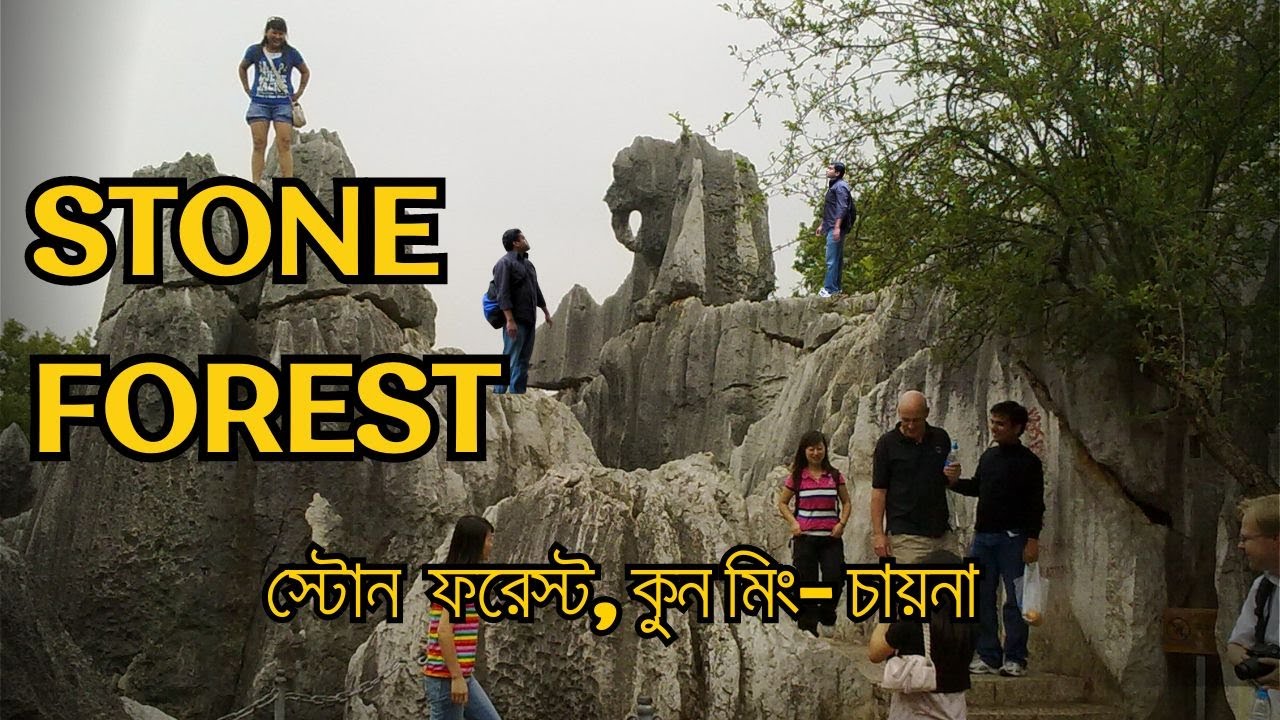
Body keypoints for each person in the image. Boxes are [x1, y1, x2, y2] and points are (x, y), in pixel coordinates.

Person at [945, 400, 1044, 677]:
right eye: (993, 421)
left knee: (1015, 601)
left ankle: (1015, 657)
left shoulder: (1029, 463)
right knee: (979, 597)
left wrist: (1032, 539)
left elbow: (1036, 504)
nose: (995, 428)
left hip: (1014, 538)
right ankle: (988, 654)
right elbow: (978, 487)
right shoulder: (989, 457)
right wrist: (954, 483)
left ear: (1017, 427)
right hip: (983, 538)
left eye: (1001, 423)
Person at [869, 549, 978, 720]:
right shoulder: (969, 622)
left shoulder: (912, 620)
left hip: (915, 710)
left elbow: (875, 653)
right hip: (954, 709)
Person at [420, 515, 503, 720]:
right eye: (489, 539)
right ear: (475, 543)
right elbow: (444, 631)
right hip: (447, 678)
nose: (491, 545)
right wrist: (456, 677)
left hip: (461, 675)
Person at [776, 430, 852, 637]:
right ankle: (808, 627)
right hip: (805, 538)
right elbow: (782, 503)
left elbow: (846, 502)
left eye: (819, 448)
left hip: (831, 538)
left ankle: (827, 613)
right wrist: (793, 522)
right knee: (806, 582)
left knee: (835, 577)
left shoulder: (835, 476)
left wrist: (842, 523)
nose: (816, 452)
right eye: (811, 449)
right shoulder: (797, 477)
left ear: (825, 449)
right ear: (804, 451)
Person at [871, 390, 956, 563]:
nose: (910, 425)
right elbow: (879, 491)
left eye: (916, 420)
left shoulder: (940, 438)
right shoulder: (887, 444)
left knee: (952, 586)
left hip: (941, 532)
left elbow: (945, 482)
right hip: (906, 533)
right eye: (905, 420)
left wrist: (953, 476)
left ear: (927, 413)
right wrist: (879, 534)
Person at [238, 16, 310, 185]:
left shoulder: (291, 53)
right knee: (258, 143)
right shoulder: (254, 51)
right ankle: (256, 182)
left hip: (282, 103)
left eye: (281, 33)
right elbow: (242, 67)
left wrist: (298, 92)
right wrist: (247, 88)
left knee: (284, 142)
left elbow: (305, 71)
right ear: (267, 32)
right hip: (259, 102)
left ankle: (288, 183)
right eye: (274, 33)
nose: (277, 37)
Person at [1225, 494, 1280, 713]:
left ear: (1276, 539)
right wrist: (1250, 663)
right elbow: (1236, 644)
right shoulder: (1264, 587)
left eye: (1246, 538)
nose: (1240, 546)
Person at [491, 228, 552, 394]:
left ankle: (517, 394)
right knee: (510, 356)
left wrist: (545, 311)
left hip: (529, 318)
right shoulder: (504, 264)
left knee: (524, 360)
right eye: (522, 238)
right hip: (515, 319)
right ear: (515, 243)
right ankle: (499, 394)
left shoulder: (528, 265)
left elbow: (535, 289)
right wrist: (509, 320)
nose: (526, 240)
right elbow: (502, 293)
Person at [817, 161, 855, 298]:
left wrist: (837, 227)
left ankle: (829, 288)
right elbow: (830, 208)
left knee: (831, 259)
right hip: (831, 225)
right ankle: (836, 288)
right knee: (836, 258)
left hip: (835, 227)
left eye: (830, 169)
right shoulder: (834, 186)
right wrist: (823, 224)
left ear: (837, 173)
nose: (827, 170)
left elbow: (842, 207)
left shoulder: (840, 187)